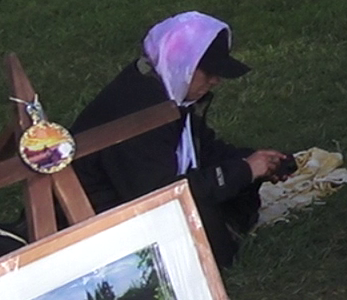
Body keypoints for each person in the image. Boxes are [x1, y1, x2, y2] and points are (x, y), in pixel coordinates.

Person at [72, 14, 289, 268]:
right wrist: (243, 170)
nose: (215, 80)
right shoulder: (140, 114)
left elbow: (201, 148)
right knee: (210, 215)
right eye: (208, 71)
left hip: (135, 195)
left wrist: (257, 161)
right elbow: (162, 195)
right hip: (102, 218)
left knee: (232, 187)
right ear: (181, 63)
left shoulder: (164, 90)